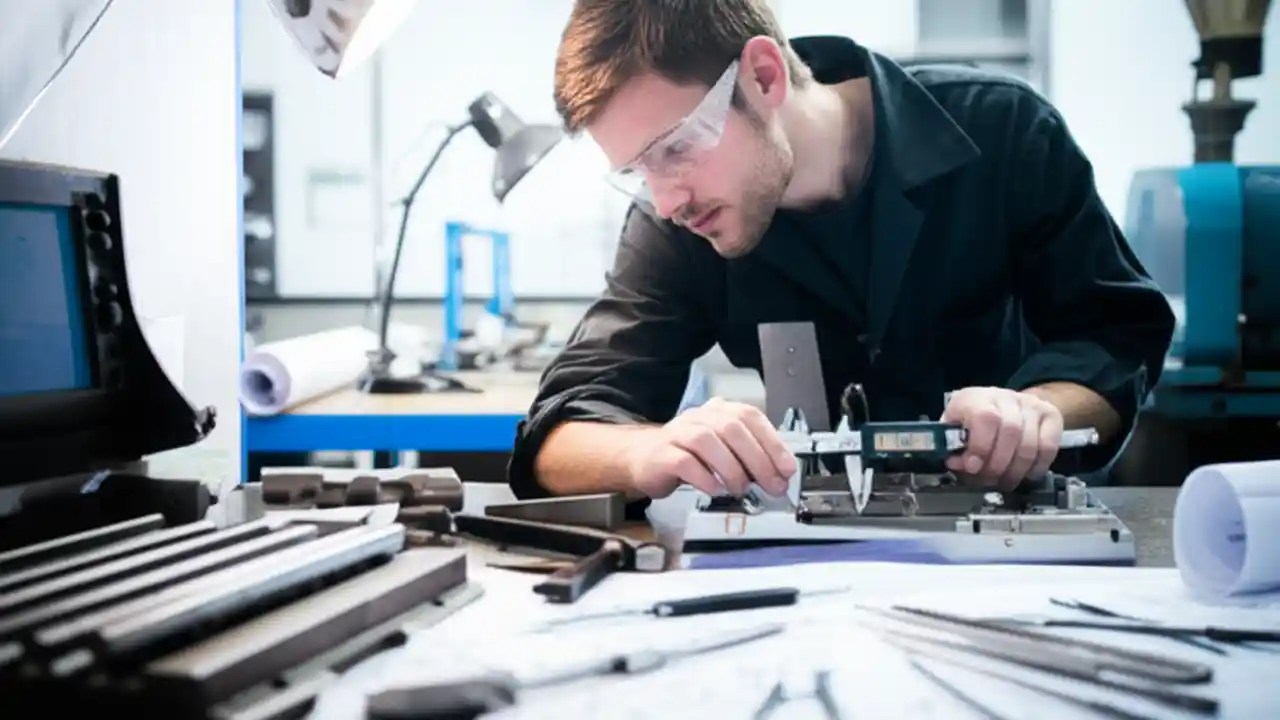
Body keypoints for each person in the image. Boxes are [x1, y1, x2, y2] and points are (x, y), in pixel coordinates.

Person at [507, 0, 1175, 510]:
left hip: (1017, 539)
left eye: (676, 147)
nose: (667, 197)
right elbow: (559, 431)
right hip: (817, 560)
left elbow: (1113, 336)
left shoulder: (1003, 132)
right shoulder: (675, 224)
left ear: (763, 76)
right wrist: (649, 450)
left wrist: (1039, 411)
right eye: (638, 170)